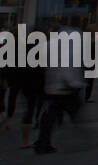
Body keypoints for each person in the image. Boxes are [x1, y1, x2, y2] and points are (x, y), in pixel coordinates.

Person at [34, 22, 84, 154]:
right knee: (73, 111)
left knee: (50, 115)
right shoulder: (66, 47)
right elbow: (65, 68)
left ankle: (43, 142)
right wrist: (71, 83)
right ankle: (78, 136)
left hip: (51, 86)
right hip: (63, 87)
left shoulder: (49, 45)